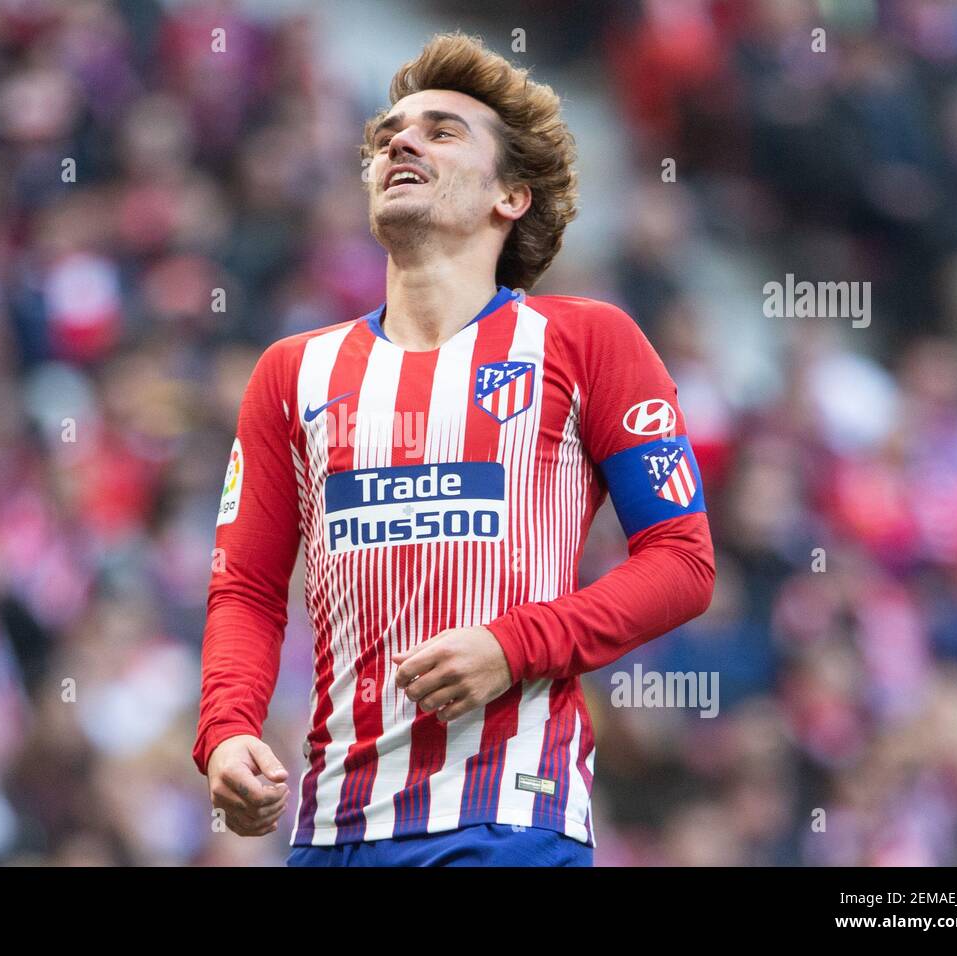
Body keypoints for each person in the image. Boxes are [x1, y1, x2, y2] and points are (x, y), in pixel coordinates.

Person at [193, 32, 715, 866]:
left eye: (441, 131)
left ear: (512, 193)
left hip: (507, 821)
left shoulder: (588, 342)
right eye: (388, 135)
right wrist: (225, 733)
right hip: (332, 833)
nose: (399, 141)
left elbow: (683, 562)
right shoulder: (291, 372)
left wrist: (514, 646)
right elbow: (248, 589)